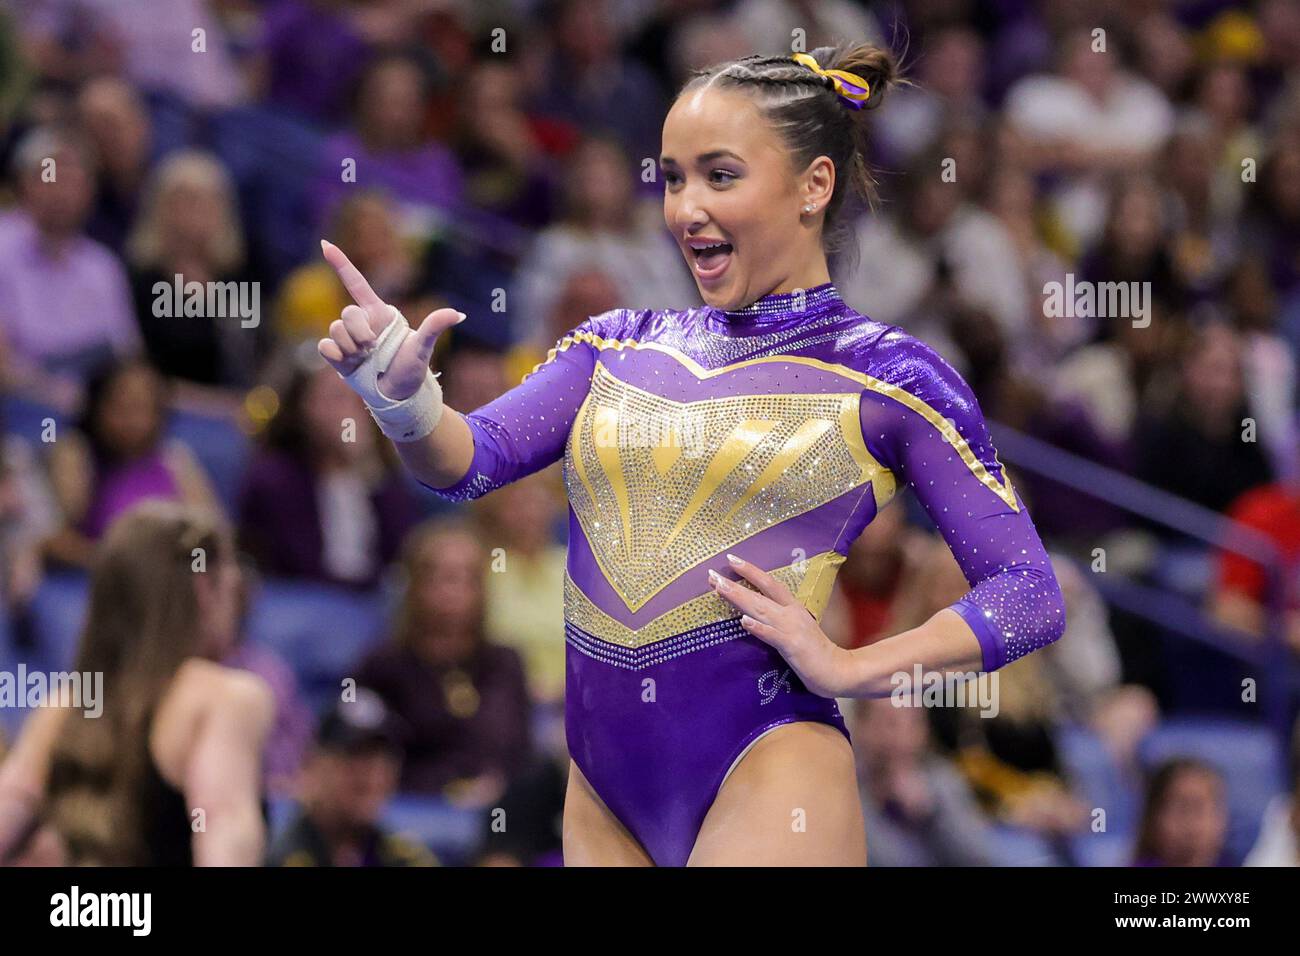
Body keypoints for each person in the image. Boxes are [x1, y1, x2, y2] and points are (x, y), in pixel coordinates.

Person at [316, 40, 1066, 866]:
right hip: (603, 789)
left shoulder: (888, 375)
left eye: (720, 175)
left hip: (770, 765)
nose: (685, 208)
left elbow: (1029, 593)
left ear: (814, 186)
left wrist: (856, 668)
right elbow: (469, 463)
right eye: (672, 178)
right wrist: (402, 399)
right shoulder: (616, 344)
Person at [0, 500, 273, 866]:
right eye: (230, 589)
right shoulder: (225, 697)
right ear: (204, 589)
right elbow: (225, 825)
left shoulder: (68, 703)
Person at [266, 689, 436, 867]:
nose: (371, 774)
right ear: (312, 767)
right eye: (355, 755)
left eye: (382, 758)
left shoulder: (405, 857)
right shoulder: (275, 857)